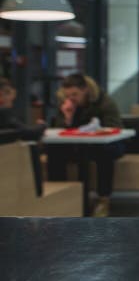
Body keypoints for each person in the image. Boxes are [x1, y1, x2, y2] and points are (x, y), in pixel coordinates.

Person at [49, 73, 123, 216]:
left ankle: (103, 199)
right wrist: (68, 118)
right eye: (68, 95)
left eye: (75, 94)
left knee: (104, 153)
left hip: (106, 144)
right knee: (55, 150)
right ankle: (60, 196)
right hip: (79, 145)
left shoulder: (104, 102)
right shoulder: (66, 104)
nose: (71, 98)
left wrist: (94, 130)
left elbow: (113, 128)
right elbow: (58, 129)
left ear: (85, 90)